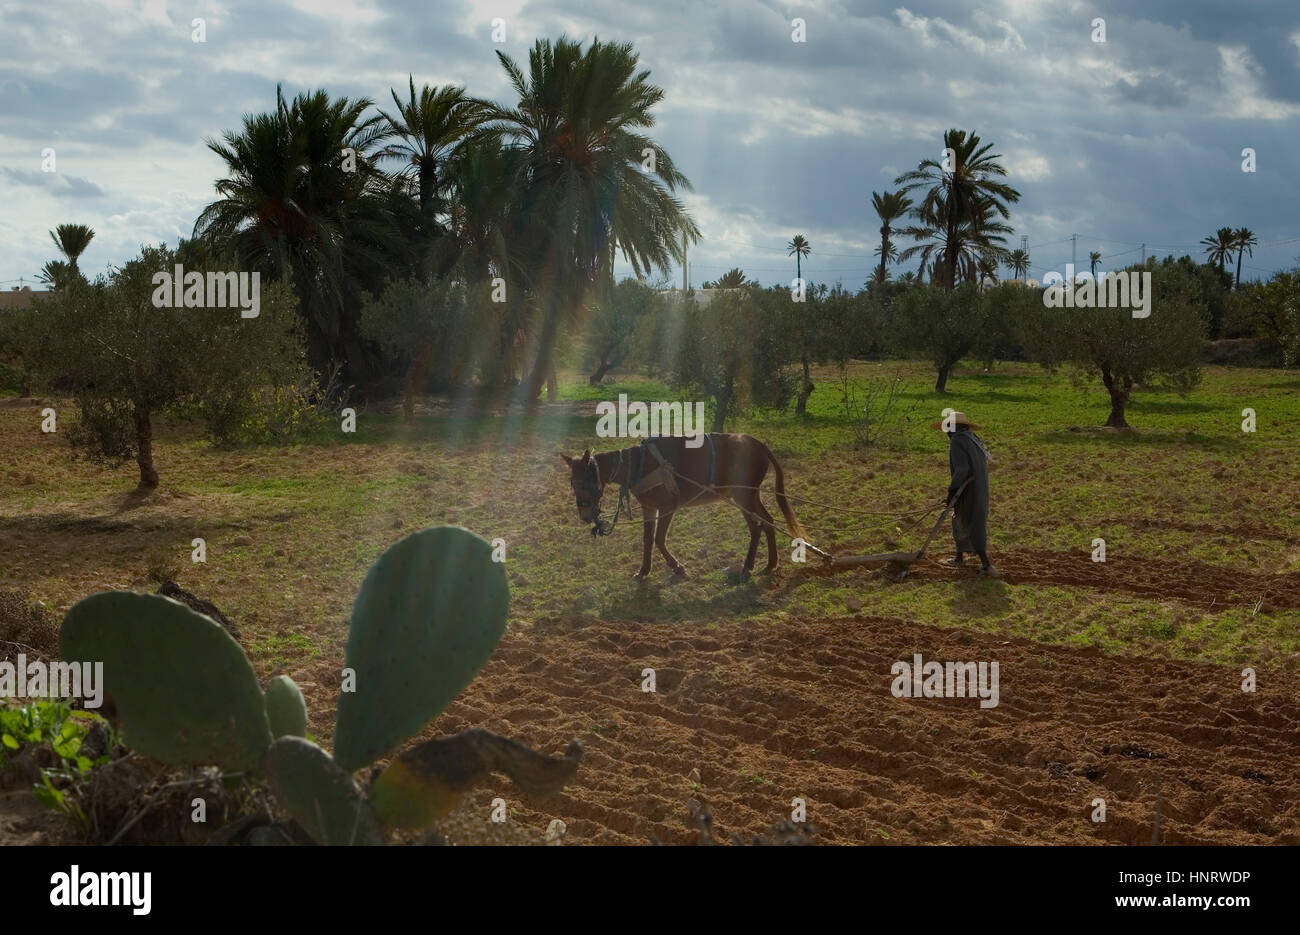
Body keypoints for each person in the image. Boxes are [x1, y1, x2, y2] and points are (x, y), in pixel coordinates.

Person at [932, 411, 997, 577]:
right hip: (979, 488)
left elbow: (962, 469)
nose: (946, 433)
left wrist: (952, 490)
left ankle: (986, 565)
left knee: (968, 521)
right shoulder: (973, 440)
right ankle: (959, 556)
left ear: (953, 429)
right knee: (962, 520)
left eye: (948, 429)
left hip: (968, 489)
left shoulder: (957, 441)